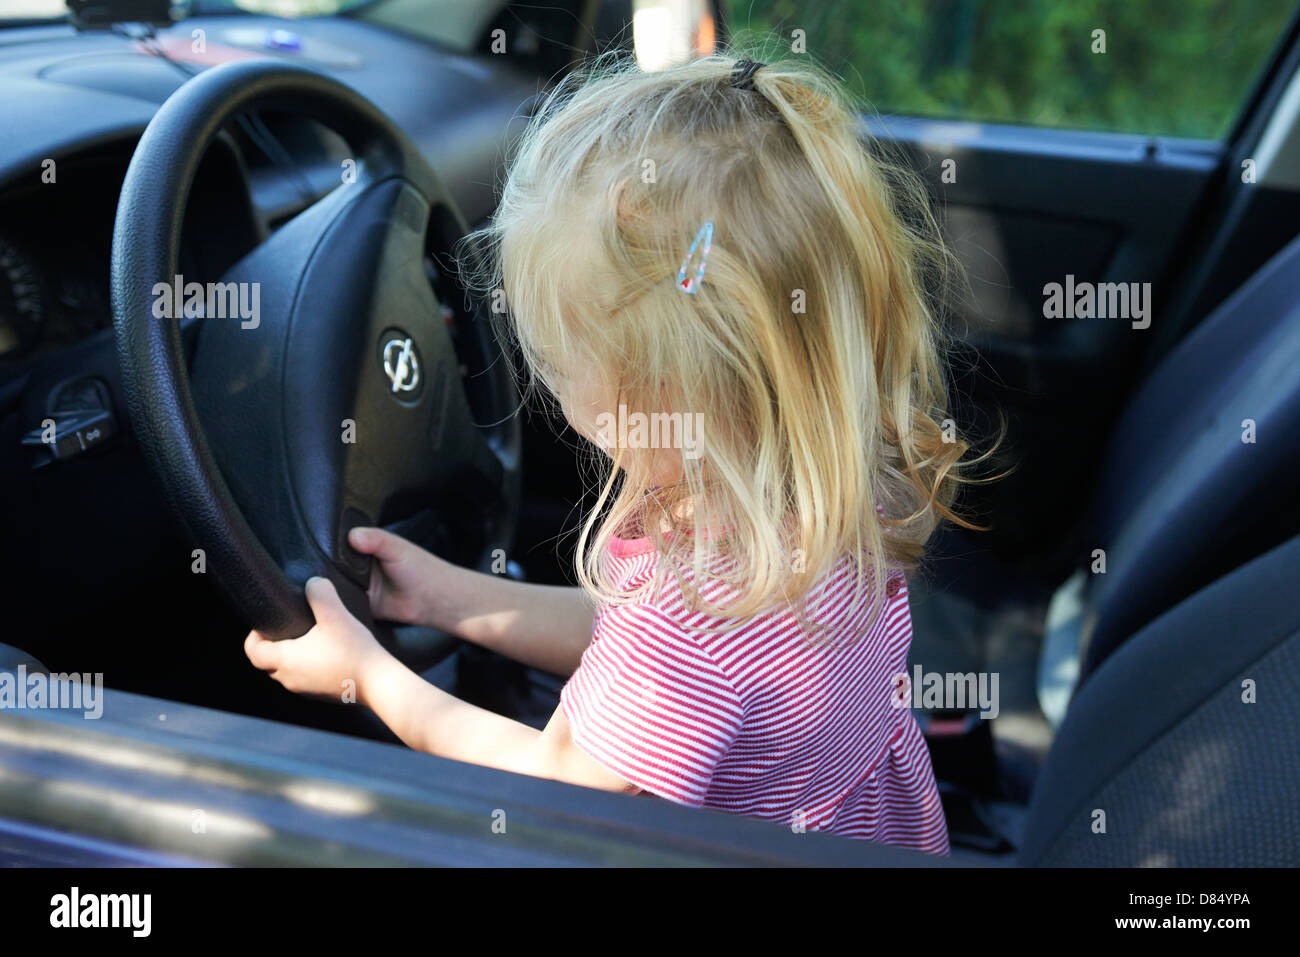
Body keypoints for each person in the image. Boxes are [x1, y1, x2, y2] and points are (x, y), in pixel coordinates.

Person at [245, 53, 980, 854]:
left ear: (660, 394)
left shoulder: (690, 618)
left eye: (557, 359)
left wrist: (366, 674)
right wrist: (449, 598)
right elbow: (637, 641)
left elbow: (551, 788)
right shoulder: (840, 485)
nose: (547, 378)